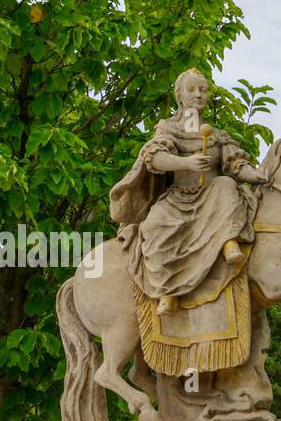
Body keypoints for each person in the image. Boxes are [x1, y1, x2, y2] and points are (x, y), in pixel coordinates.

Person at [110, 68, 269, 315]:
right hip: (178, 199)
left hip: (212, 198)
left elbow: (235, 165)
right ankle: (167, 291)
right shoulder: (168, 130)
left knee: (226, 186)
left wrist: (255, 174)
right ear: (179, 96)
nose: (198, 95)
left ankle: (228, 243)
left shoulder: (216, 135)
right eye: (191, 89)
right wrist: (186, 163)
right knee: (154, 226)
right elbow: (155, 159)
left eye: (203, 90)